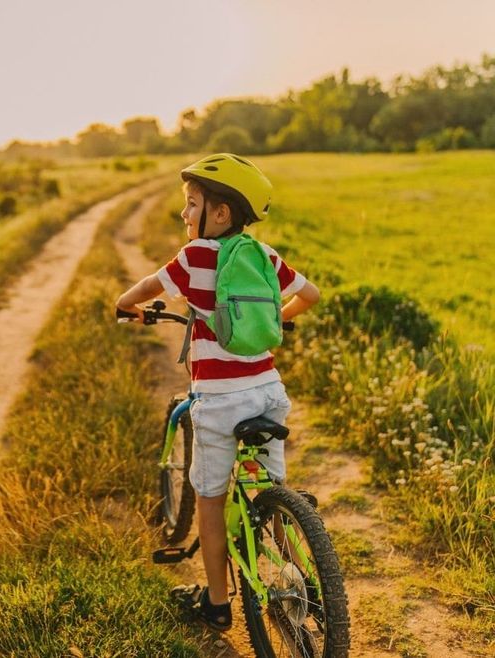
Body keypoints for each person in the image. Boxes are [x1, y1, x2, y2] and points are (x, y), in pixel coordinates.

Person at [115, 153, 320, 631]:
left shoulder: (194, 257)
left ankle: (216, 602)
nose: (184, 214)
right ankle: (308, 573)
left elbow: (149, 286)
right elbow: (311, 296)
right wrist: (273, 321)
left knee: (209, 499)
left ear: (220, 213)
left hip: (221, 401)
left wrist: (125, 304)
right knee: (270, 490)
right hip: (268, 392)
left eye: (191, 204)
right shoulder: (265, 257)